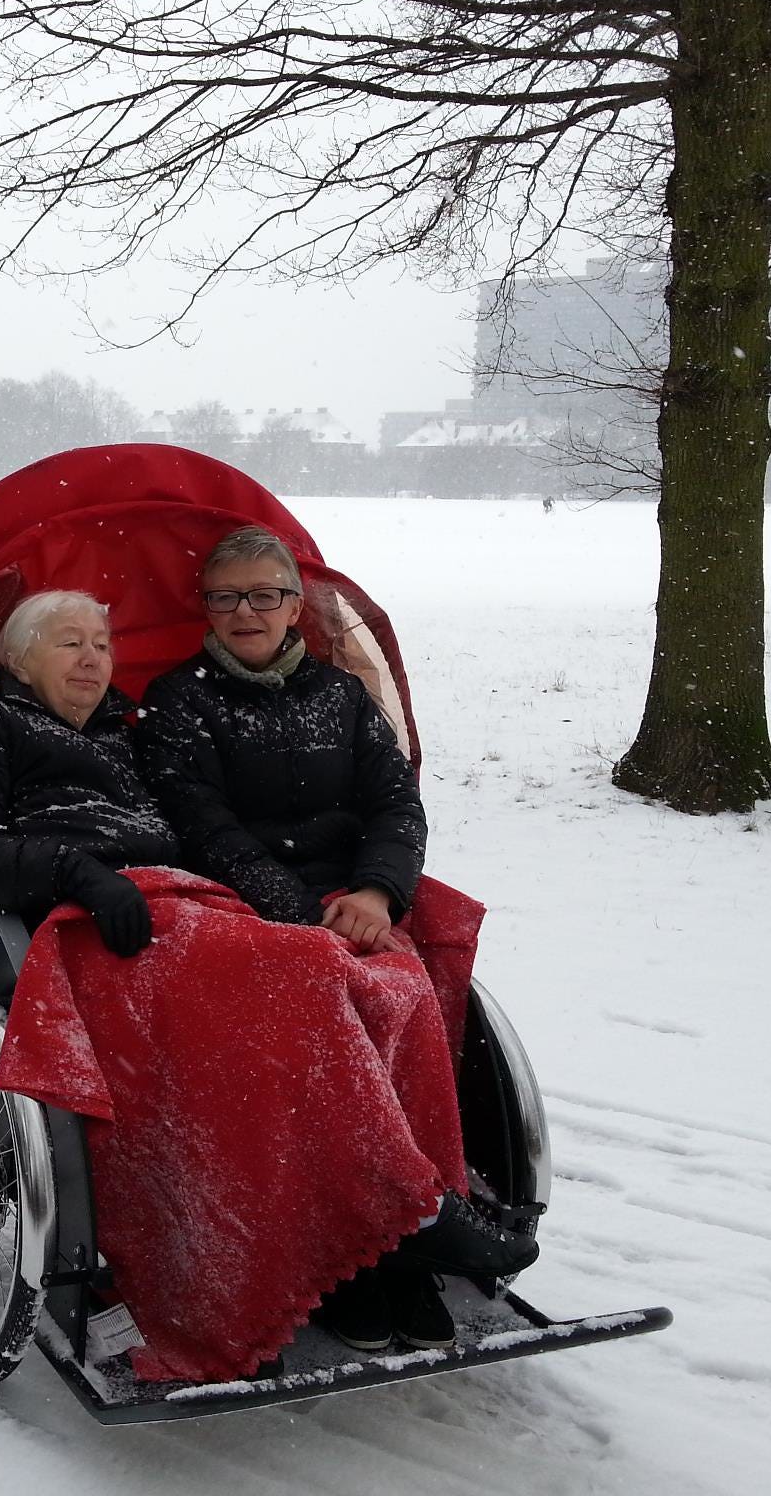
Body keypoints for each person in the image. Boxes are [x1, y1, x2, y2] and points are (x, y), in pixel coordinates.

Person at [138, 524, 536, 1352]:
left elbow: (396, 805)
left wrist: (378, 891)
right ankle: (360, 1238)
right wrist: (295, 908)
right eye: (226, 596)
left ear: (293, 606)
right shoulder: (179, 703)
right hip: (236, 902)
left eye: (264, 594)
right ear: (204, 606)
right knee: (318, 992)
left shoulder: (342, 698)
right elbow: (202, 826)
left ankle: (401, 1235)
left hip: (349, 896)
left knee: (405, 985)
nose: (245, 611)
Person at [0, 591, 176, 948]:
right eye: (70, 643)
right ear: (18, 663)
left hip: (171, 904)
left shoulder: (129, 737)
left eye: (101, 646)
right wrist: (72, 872)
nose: (90, 660)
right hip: (69, 925)